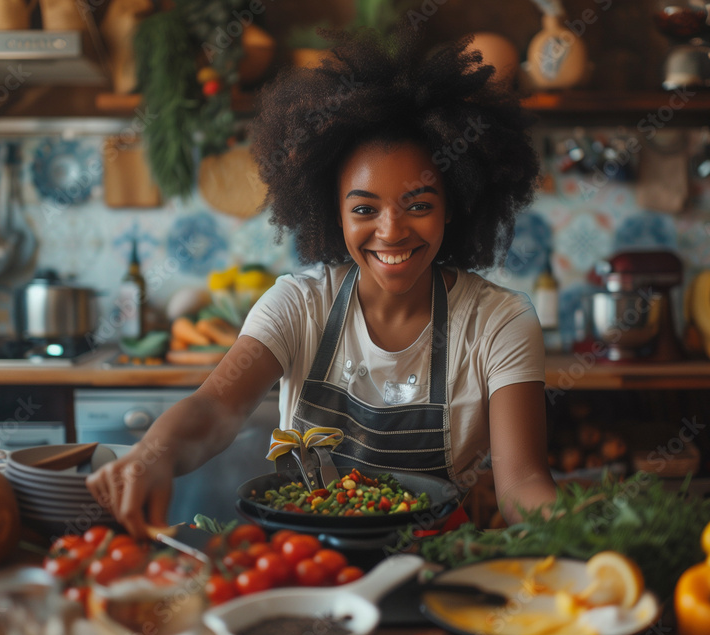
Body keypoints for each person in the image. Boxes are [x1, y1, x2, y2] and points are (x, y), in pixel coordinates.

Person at [87, 29, 557, 537]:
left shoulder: (500, 323)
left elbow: (523, 480)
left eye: (419, 205)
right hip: (308, 565)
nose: (391, 231)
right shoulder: (298, 304)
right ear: (332, 214)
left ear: (455, 208)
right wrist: (152, 455)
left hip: (433, 569)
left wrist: (579, 532)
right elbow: (213, 408)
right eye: (364, 209)